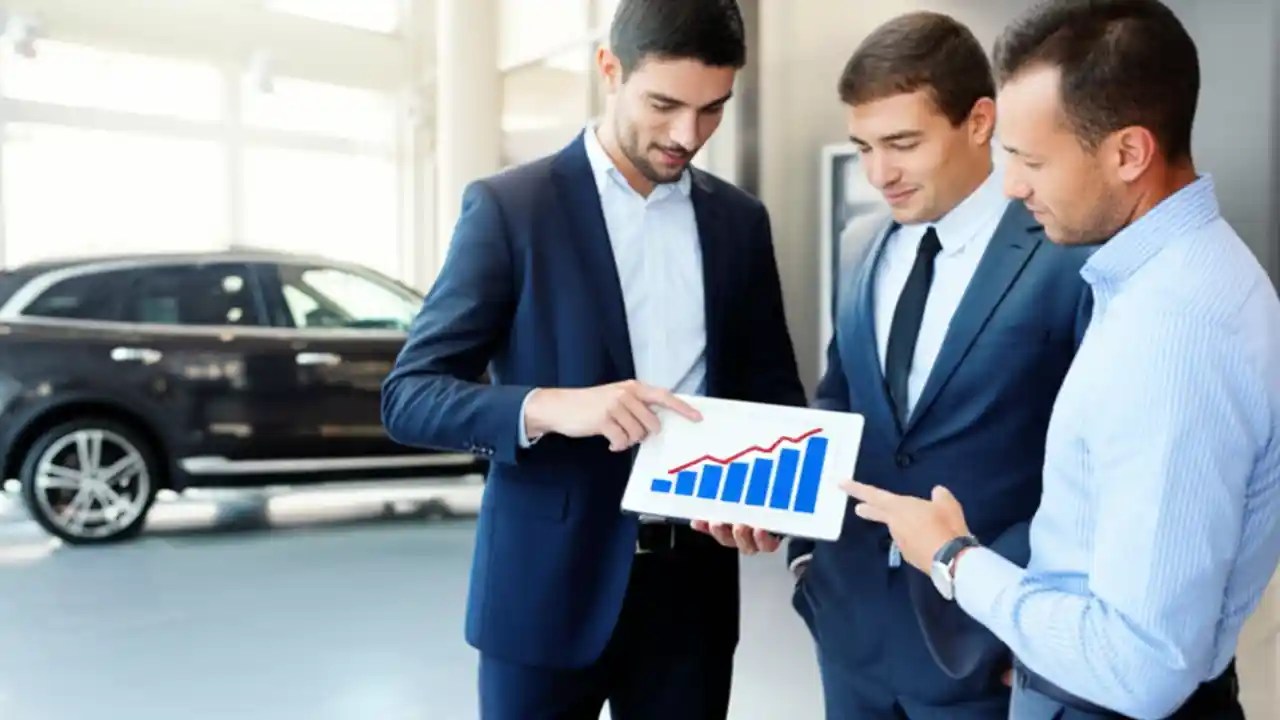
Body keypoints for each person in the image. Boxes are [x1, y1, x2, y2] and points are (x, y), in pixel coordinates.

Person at [844, 1, 1280, 718]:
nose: (1011, 185)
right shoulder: (1159, 280)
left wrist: (954, 561)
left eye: (1029, 160)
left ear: (1128, 152)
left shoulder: (1173, 334)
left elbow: (1141, 666)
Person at [381, 0, 806, 717]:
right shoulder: (513, 209)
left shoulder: (739, 222)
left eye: (712, 111)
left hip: (692, 595)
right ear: (609, 68)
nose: (686, 135)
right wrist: (551, 406)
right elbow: (410, 396)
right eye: (665, 104)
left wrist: (763, 497)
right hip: (544, 590)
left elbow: (771, 390)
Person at [694, 11, 1091, 719]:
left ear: (979, 121)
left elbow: (1093, 465)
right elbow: (842, 403)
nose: (879, 173)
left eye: (903, 143)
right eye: (864, 146)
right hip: (849, 636)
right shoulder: (862, 243)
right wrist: (789, 532)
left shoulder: (1067, 250)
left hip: (988, 647)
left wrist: (1023, 625)